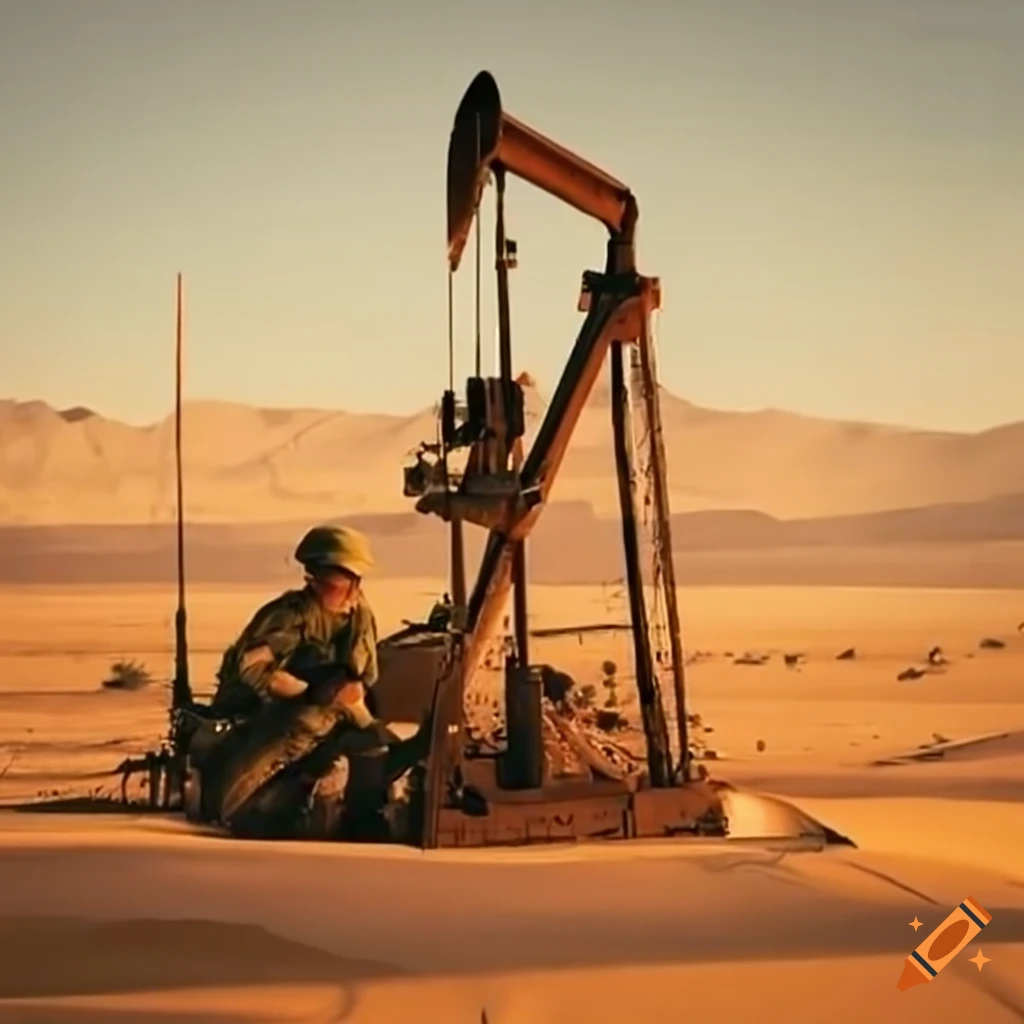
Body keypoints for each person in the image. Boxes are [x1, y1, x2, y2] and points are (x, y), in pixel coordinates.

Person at [207, 524, 428, 839]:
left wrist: (349, 694)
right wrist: (308, 691)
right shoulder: (289, 616)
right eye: (344, 581)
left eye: (355, 581)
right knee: (301, 730)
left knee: (373, 748)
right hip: (274, 713)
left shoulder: (358, 615)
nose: (353, 590)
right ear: (318, 578)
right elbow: (253, 670)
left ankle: (365, 810)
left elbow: (362, 675)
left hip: (337, 713)